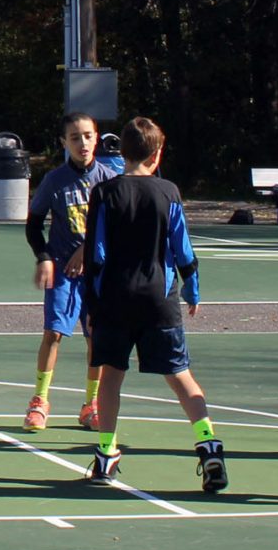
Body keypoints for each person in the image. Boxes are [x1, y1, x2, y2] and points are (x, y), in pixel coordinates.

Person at [64, 116, 227, 493]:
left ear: (121, 153)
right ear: (158, 153)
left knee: (111, 377)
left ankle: (106, 455)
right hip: (159, 302)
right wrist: (193, 289)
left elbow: (97, 252)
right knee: (181, 377)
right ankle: (209, 447)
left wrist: (92, 303)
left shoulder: (104, 193)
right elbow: (182, 248)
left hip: (116, 302)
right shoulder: (168, 192)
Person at [22, 112, 111, 432]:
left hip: (98, 271)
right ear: (64, 143)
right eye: (75, 137)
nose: (82, 142)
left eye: (88, 135)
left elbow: (114, 228)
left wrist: (86, 250)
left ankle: (92, 404)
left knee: (96, 336)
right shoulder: (54, 181)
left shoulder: (107, 180)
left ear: (96, 137)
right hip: (62, 271)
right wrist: (44, 257)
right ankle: (40, 400)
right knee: (54, 333)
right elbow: (33, 225)